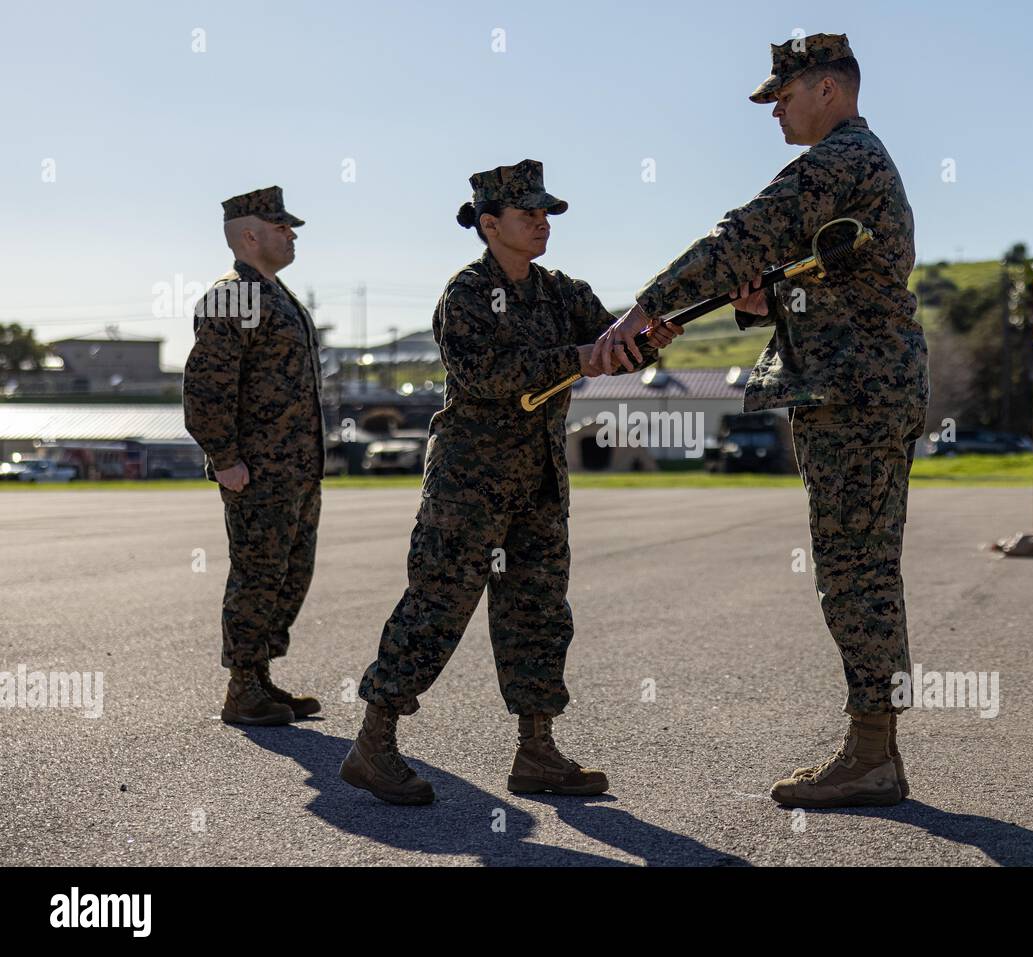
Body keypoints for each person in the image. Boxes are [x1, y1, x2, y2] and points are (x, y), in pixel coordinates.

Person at [597, 34, 929, 807]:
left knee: (857, 571)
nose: (774, 108)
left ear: (827, 88)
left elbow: (746, 231)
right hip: (857, 387)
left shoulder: (843, 159)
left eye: (783, 94)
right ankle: (873, 744)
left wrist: (646, 307)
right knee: (857, 565)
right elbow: (834, 281)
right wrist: (770, 301)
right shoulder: (856, 165)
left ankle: (872, 752)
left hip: (855, 393)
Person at [341, 160, 660, 805]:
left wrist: (649, 334)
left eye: (547, 213)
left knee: (538, 612)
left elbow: (614, 345)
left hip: (539, 480)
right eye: (528, 214)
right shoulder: (463, 296)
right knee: (438, 605)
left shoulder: (562, 292)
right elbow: (487, 374)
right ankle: (373, 743)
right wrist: (576, 357)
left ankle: (536, 751)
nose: (542, 222)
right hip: (469, 483)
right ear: (490, 225)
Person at [183, 185, 325, 726]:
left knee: (291, 571)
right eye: (281, 227)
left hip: (298, 468)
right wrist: (224, 457)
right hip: (258, 469)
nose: (291, 235)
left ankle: (261, 676)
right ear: (249, 234)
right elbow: (205, 387)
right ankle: (242, 687)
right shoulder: (233, 296)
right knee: (258, 572)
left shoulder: (276, 293)